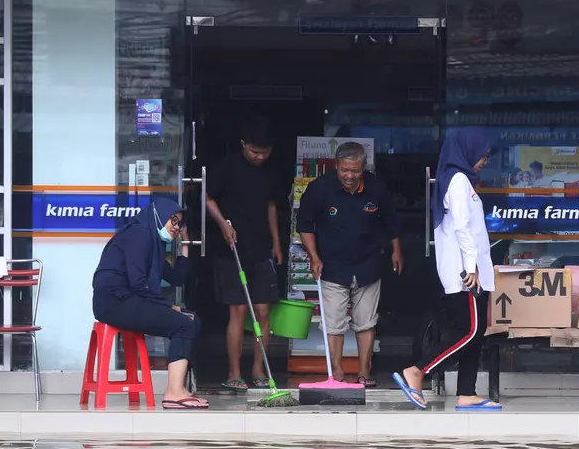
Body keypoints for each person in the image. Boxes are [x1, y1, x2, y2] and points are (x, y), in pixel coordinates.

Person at [392, 128, 500, 411]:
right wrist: (471, 267)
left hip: (474, 272)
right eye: (483, 154)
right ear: (468, 150)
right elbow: (462, 228)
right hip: (467, 274)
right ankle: (418, 370)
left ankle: (467, 392)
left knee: (476, 333)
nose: (484, 160)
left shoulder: (459, 181)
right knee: (469, 331)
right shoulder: (458, 181)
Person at [297, 142, 402, 386]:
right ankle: (337, 374)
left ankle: (364, 372)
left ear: (363, 168)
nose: (350, 176)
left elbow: (391, 221)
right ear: (337, 166)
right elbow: (304, 226)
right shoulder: (320, 189)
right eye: (345, 170)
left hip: (368, 263)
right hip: (331, 265)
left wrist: (397, 251)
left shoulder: (377, 187)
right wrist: (314, 256)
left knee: (366, 322)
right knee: (334, 324)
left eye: (355, 171)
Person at [92, 196, 207, 410]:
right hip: (116, 303)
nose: (176, 227)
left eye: (179, 223)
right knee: (184, 323)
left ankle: (178, 388)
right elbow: (138, 283)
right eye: (173, 220)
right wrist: (169, 307)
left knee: (192, 320)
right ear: (158, 215)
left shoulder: (154, 243)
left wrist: (185, 243)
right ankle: (174, 392)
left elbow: (176, 278)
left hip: (130, 300)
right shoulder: (140, 235)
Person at [206, 117, 283, 391]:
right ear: (243, 145)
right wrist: (222, 223)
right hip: (231, 248)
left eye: (264, 152)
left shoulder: (270, 170)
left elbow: (272, 206)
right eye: (254, 151)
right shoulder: (226, 167)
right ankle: (234, 372)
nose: (260, 157)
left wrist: (276, 242)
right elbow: (208, 197)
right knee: (238, 310)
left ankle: (259, 369)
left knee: (263, 312)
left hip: (261, 246)